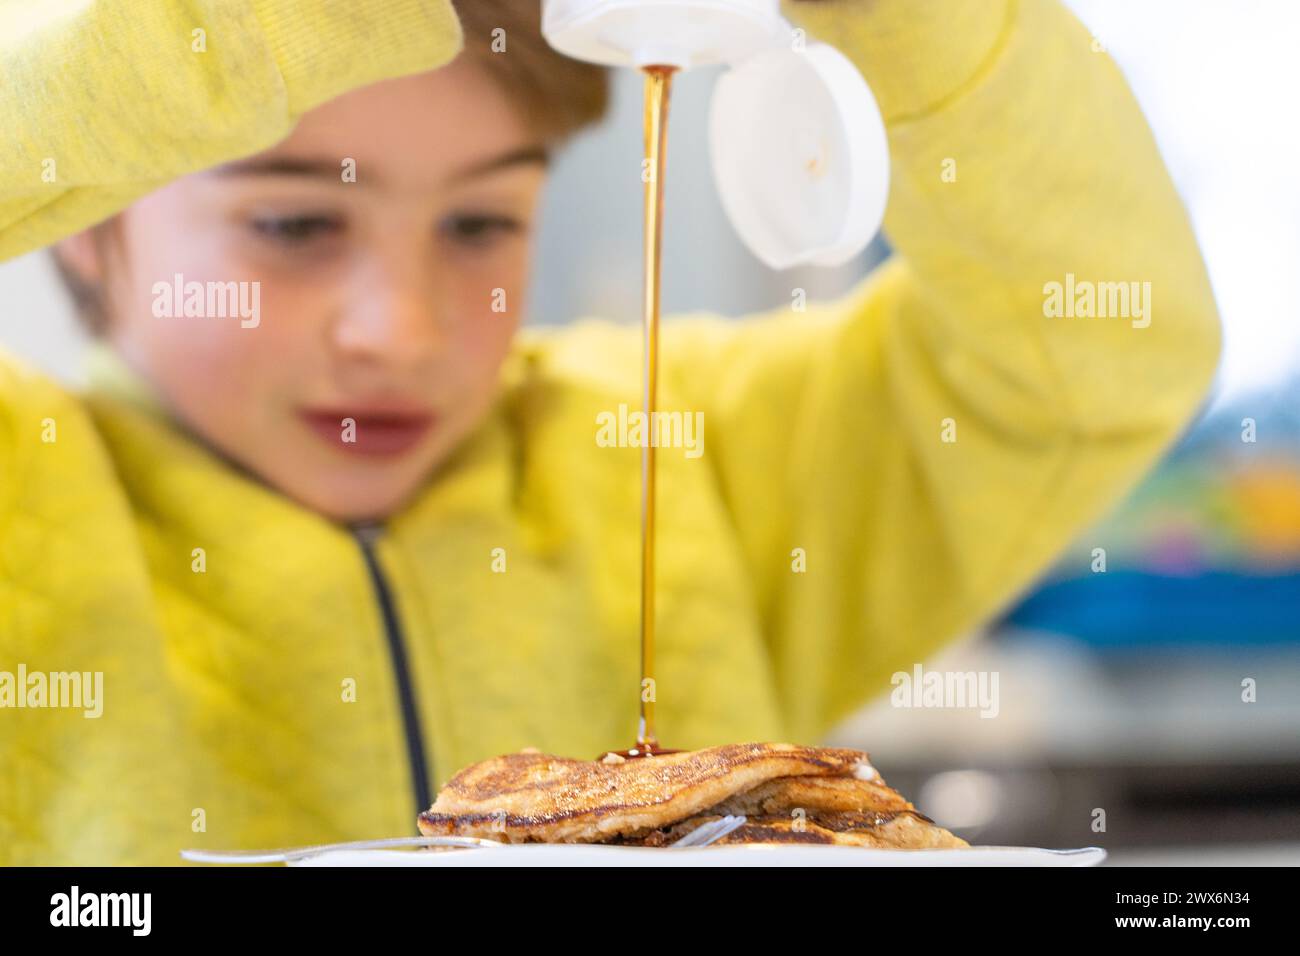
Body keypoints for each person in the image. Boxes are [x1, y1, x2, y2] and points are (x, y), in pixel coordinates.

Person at [0, 0, 1219, 864]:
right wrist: (212, 36)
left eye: (480, 226)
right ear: (88, 218)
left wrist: (899, 15)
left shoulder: (692, 450)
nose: (399, 331)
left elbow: (1103, 350)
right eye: (293, 226)